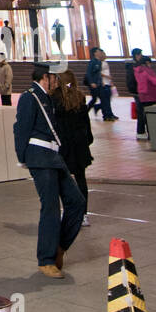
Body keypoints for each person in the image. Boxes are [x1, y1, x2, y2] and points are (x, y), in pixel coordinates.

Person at [14, 64, 86, 277]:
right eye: (55, 78)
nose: (58, 82)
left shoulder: (47, 97)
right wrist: (23, 158)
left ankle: (59, 247)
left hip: (54, 157)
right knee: (51, 207)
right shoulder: (30, 97)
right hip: (39, 157)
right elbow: (21, 128)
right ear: (46, 77)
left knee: (77, 202)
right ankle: (45, 260)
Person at [52, 68, 93, 228]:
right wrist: (87, 139)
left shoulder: (54, 99)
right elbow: (86, 121)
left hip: (64, 144)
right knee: (81, 178)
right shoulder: (80, 97)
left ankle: (68, 211)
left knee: (63, 179)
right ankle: (83, 214)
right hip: (79, 143)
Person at [133, 52, 156, 141]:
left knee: (145, 115)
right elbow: (155, 81)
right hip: (150, 95)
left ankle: (147, 134)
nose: (150, 65)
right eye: (149, 63)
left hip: (142, 95)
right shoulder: (147, 70)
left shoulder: (137, 70)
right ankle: (153, 134)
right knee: (151, 116)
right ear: (146, 63)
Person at [85, 46, 116, 121]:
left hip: (100, 84)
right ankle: (103, 113)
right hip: (95, 85)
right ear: (95, 53)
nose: (100, 53)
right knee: (97, 99)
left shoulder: (99, 62)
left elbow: (98, 73)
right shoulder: (93, 62)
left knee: (104, 99)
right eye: (98, 51)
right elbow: (89, 73)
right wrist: (92, 82)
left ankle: (107, 114)